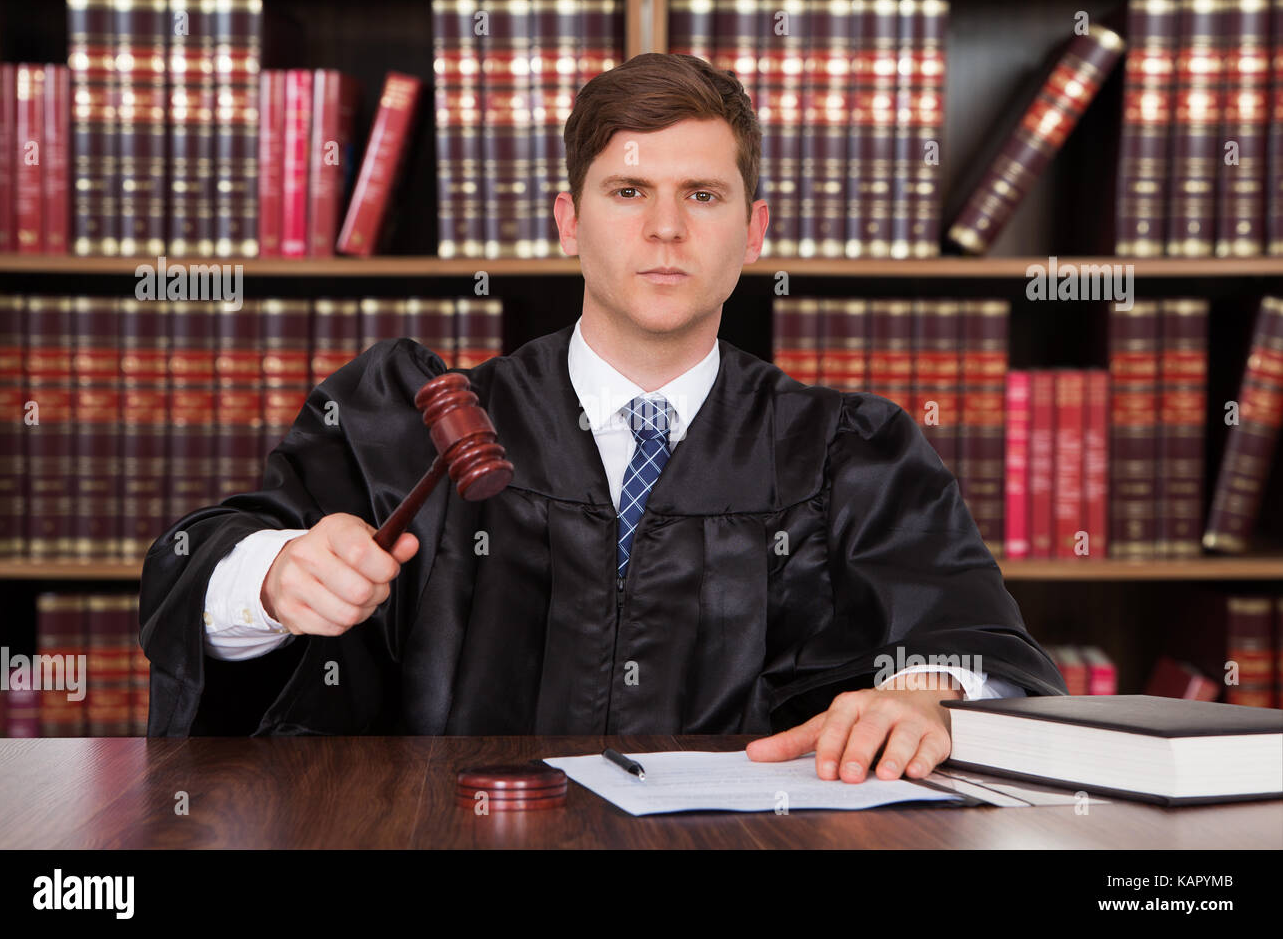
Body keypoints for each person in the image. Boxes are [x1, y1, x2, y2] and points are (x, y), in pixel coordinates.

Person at [140, 52, 1066, 784]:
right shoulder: (410, 422)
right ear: (568, 221)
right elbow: (199, 569)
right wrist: (271, 579)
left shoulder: (849, 451)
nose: (666, 229)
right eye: (628, 192)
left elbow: (968, 634)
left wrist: (926, 696)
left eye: (702, 195)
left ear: (755, 231)